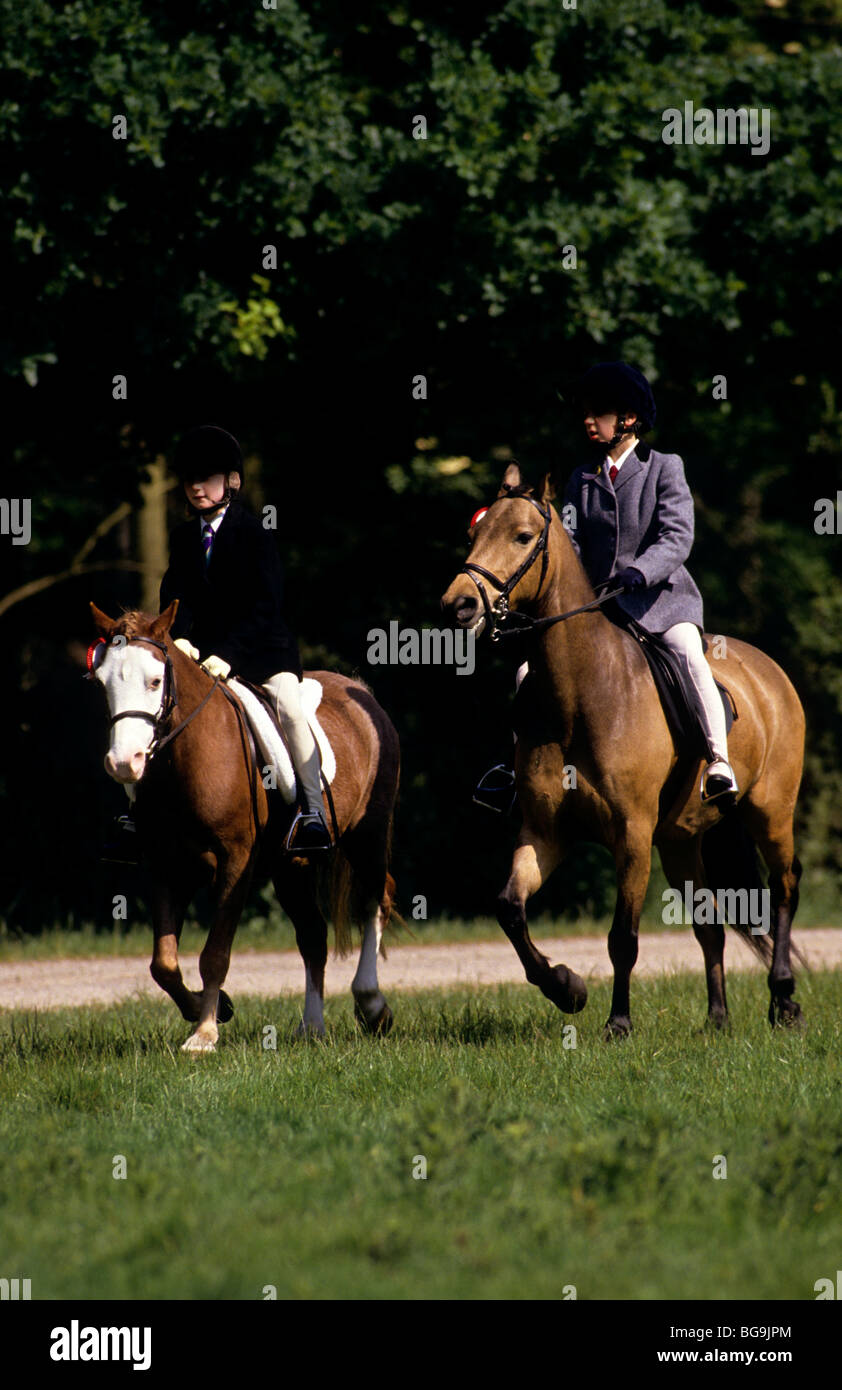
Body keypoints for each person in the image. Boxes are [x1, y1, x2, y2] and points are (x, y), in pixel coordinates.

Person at [474, 362, 738, 811]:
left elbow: (677, 537)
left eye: (598, 413)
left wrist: (641, 570)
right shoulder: (582, 478)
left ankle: (719, 761)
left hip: (661, 602)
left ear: (628, 419)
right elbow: (571, 542)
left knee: (689, 651)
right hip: (601, 605)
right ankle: (514, 771)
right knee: (525, 672)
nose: (588, 421)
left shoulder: (664, 468)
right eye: (587, 413)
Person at [158, 424, 332, 852]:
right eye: (190, 479)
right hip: (201, 657)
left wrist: (229, 655)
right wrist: (178, 638)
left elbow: (266, 607)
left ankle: (314, 813)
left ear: (231, 481)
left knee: (291, 708)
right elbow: (174, 597)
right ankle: (138, 814)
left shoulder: (256, 533)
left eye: (207, 478)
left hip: (263, 655)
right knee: (147, 703)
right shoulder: (182, 539)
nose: (196, 487)